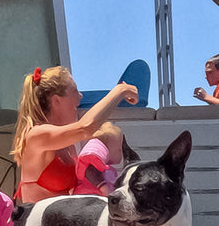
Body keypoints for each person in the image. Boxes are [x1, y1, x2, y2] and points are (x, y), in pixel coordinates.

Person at [12, 66, 138, 204]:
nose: (80, 96)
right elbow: (85, 127)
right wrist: (120, 91)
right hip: (38, 223)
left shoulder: (64, 142)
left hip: (59, 221)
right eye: (74, 90)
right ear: (57, 100)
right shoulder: (36, 135)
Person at [72, 122, 126, 197]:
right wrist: (105, 189)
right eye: (119, 149)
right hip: (90, 200)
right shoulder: (94, 167)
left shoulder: (106, 168)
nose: (121, 152)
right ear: (106, 149)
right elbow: (89, 169)